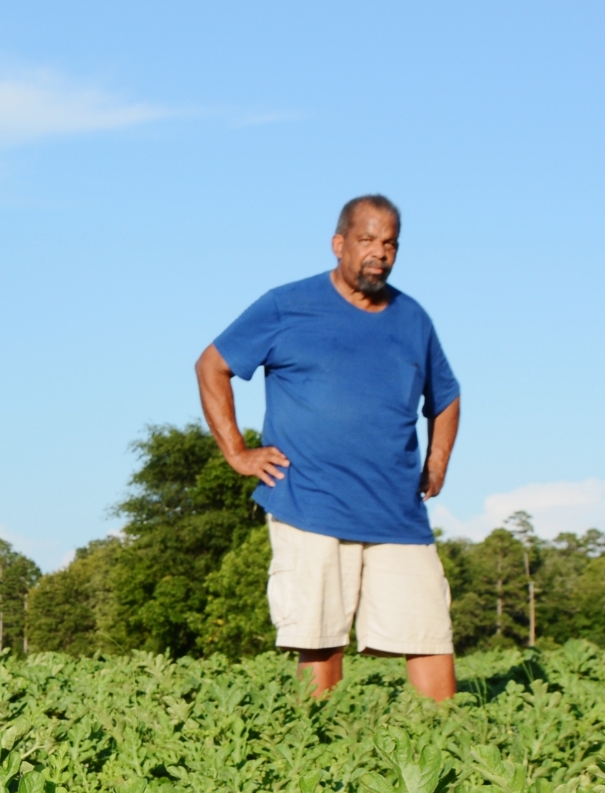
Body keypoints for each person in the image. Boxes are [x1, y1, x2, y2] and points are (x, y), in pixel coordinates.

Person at [196, 195, 461, 699]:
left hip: (396, 511)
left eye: (389, 243)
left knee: (429, 634)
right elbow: (212, 365)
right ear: (340, 244)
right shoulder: (286, 305)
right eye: (367, 240)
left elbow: (445, 396)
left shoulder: (412, 318)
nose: (378, 252)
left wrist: (438, 459)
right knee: (319, 641)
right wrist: (236, 451)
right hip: (309, 501)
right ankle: (319, 758)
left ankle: (448, 746)